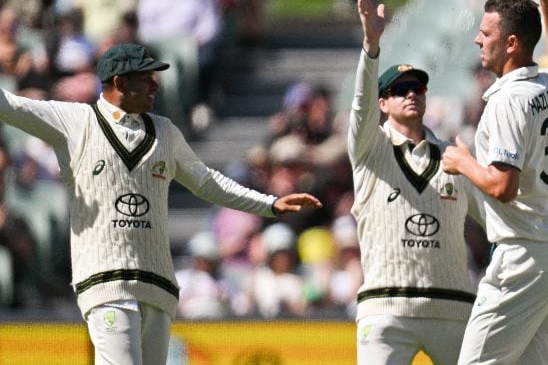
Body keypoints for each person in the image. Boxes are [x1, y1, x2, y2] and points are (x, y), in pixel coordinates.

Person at [0, 43, 320, 364]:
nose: (155, 85)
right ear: (120, 82)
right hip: (107, 281)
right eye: (146, 78)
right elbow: (9, 106)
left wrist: (270, 204)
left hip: (157, 285)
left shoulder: (165, 132)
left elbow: (207, 181)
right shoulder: (76, 121)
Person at [441, 0, 548, 364]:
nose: (477, 40)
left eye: (486, 34)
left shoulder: (507, 100)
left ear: (512, 43)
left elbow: (504, 186)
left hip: (524, 256)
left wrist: (463, 162)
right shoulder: (547, 85)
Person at [346, 0, 477, 364]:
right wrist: (371, 46)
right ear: (383, 102)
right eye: (399, 89)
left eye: (417, 87)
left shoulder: (454, 155)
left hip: (452, 306)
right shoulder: (370, 149)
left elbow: (493, 216)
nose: (411, 94)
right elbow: (360, 108)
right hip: (386, 308)